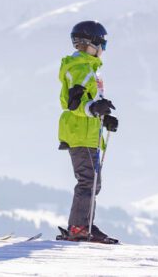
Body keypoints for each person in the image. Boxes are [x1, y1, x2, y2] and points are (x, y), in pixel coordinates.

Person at [57, 20, 119, 243]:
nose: (103, 51)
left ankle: (84, 224)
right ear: (92, 44)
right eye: (103, 45)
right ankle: (79, 227)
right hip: (80, 134)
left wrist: (104, 117)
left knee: (93, 181)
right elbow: (75, 103)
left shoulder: (88, 68)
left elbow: (89, 103)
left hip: (87, 132)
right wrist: (94, 109)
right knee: (88, 180)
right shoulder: (81, 68)